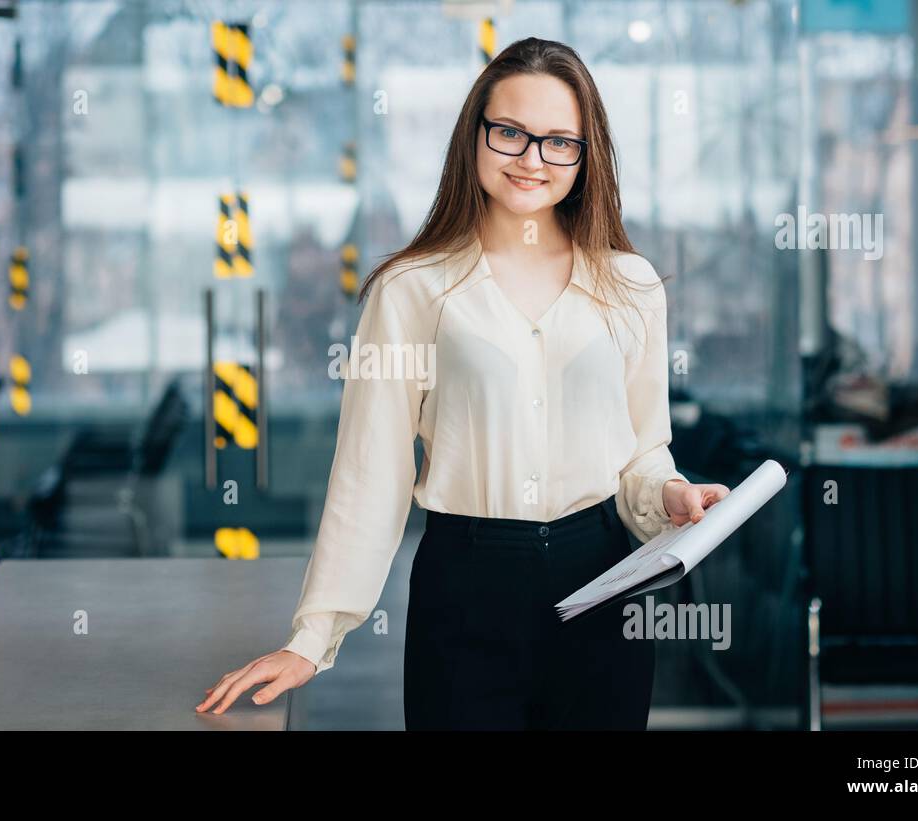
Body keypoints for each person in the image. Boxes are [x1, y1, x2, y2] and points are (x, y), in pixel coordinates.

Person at [197, 36, 729, 729]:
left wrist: (671, 493)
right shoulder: (412, 290)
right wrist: (311, 639)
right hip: (468, 583)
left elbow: (641, 455)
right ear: (474, 135)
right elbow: (370, 473)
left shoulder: (629, 286)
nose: (532, 159)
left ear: (586, 153)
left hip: (603, 584)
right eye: (510, 133)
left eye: (559, 142)